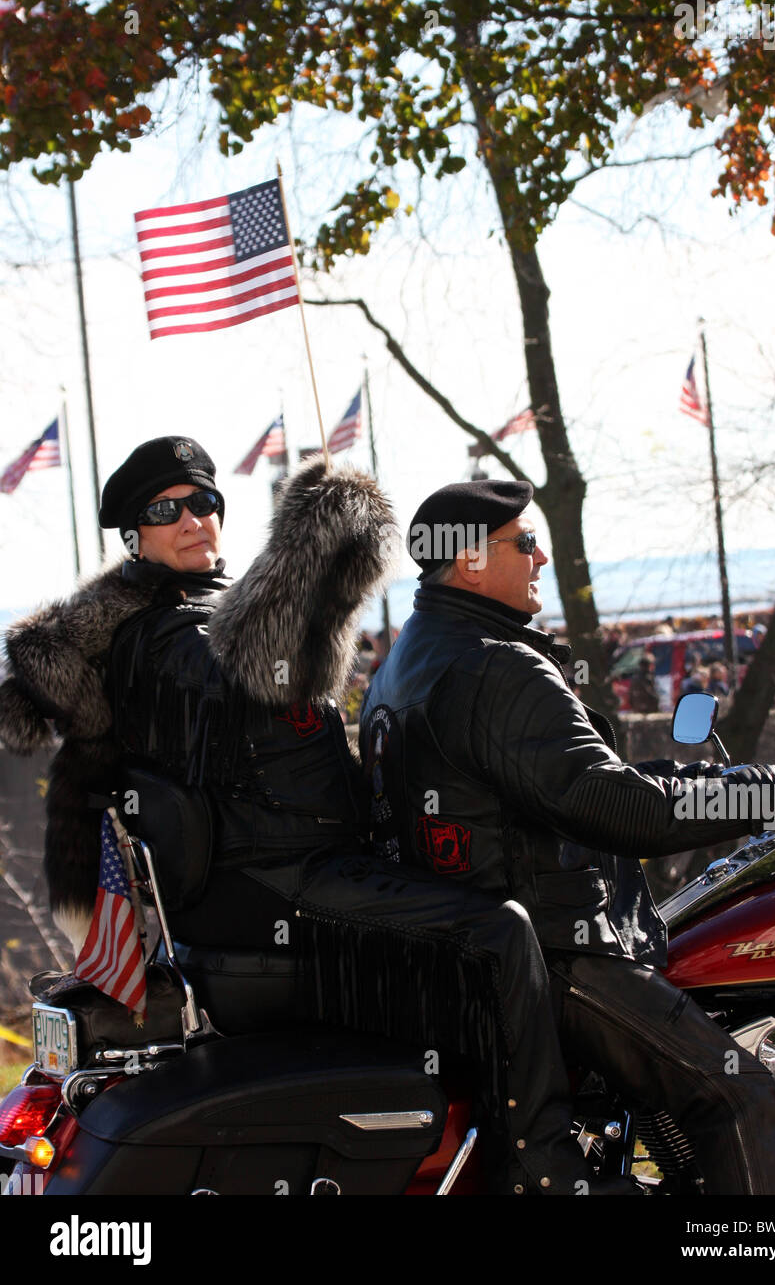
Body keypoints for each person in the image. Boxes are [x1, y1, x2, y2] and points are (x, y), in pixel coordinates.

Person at [0, 436, 603, 1196]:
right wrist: (319, 540)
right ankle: (547, 1171)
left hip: (261, 891)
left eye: (205, 502)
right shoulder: (165, 638)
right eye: (167, 510)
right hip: (278, 890)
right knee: (502, 933)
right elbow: (243, 665)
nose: (193, 520)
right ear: (134, 533)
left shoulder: (172, 619)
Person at [359, 477, 775, 1194]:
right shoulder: (497, 664)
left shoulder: (409, 659)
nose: (539, 560)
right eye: (525, 543)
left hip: (484, 956)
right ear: (469, 560)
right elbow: (622, 808)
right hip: (556, 952)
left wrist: (753, 782)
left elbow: (583, 781)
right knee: (738, 1094)